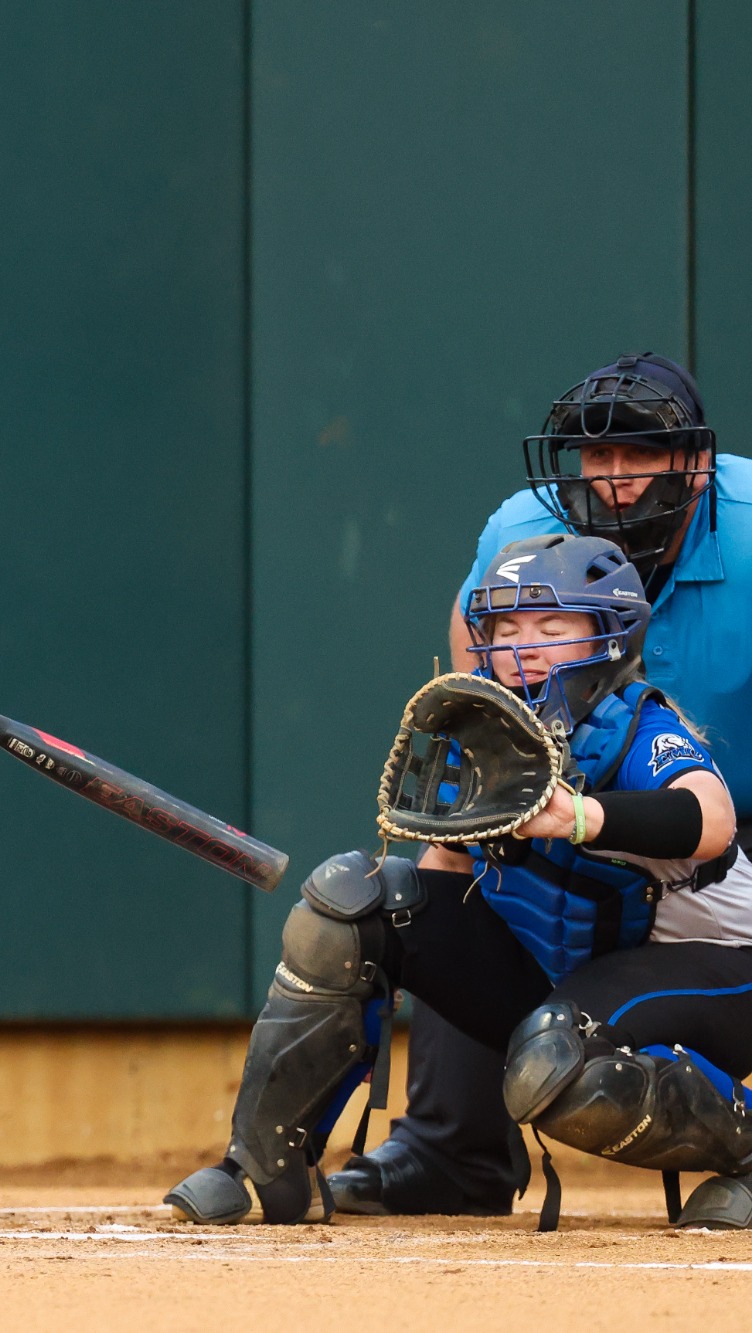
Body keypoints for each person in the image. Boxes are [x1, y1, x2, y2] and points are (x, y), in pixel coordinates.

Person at [165, 534, 752, 1230]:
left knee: (556, 1058)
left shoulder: (633, 726)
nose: (522, 647)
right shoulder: (487, 737)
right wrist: (375, 941)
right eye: (506, 629)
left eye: (552, 627)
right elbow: (443, 885)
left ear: (608, 636)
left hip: (726, 974)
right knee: (353, 902)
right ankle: (264, 1164)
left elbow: (712, 818)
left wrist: (576, 816)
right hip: (575, 972)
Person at [333, 352, 752, 1216]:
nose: (618, 478)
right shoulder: (526, 529)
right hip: (587, 787)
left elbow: (707, 820)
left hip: (717, 795)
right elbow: (476, 658)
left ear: (697, 463)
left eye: (643, 454)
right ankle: (454, 1152)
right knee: (476, 883)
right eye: (599, 458)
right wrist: (485, 813)